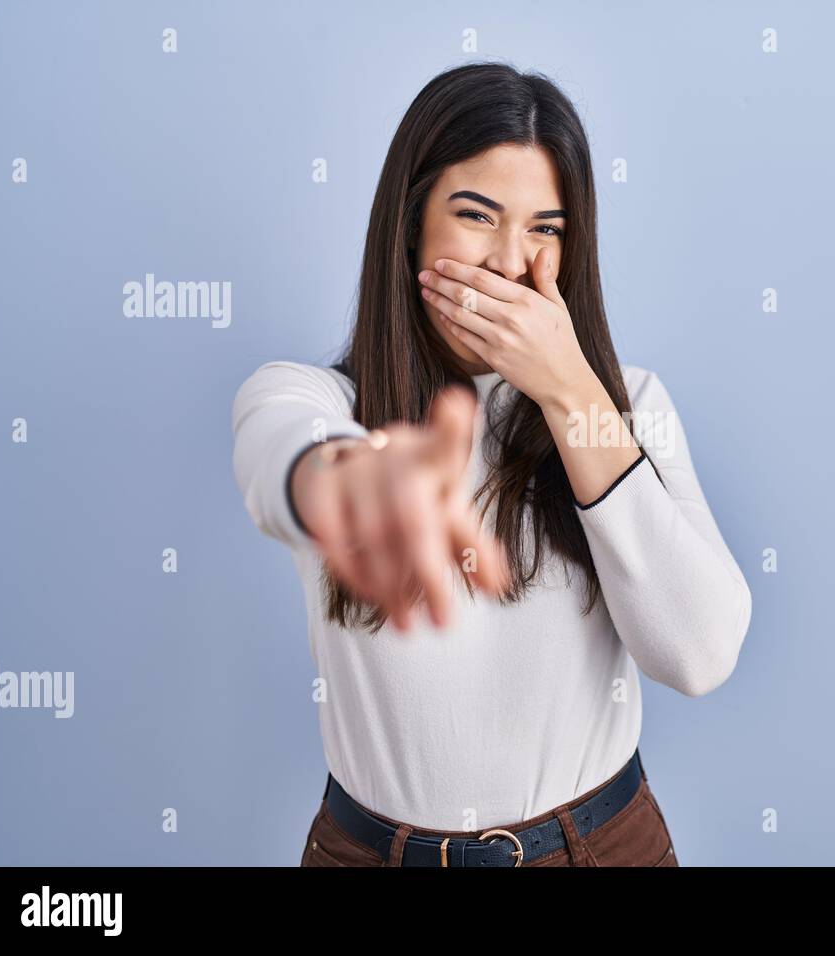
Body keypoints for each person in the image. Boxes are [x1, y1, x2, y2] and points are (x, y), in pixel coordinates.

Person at [230, 61, 752, 867]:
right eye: (478, 216)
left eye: (545, 228)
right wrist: (349, 485)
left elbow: (701, 653)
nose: (512, 263)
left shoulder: (630, 406)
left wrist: (568, 388)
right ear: (411, 226)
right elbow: (279, 458)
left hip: (599, 848)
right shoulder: (316, 400)